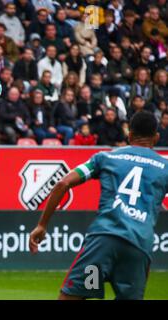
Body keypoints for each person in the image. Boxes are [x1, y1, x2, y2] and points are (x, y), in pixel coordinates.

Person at [29, 111, 168, 300]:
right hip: (138, 250)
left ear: (129, 135)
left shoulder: (106, 158)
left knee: (77, 294)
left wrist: (42, 225)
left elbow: (63, 184)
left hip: (103, 245)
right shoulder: (165, 167)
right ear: (157, 137)